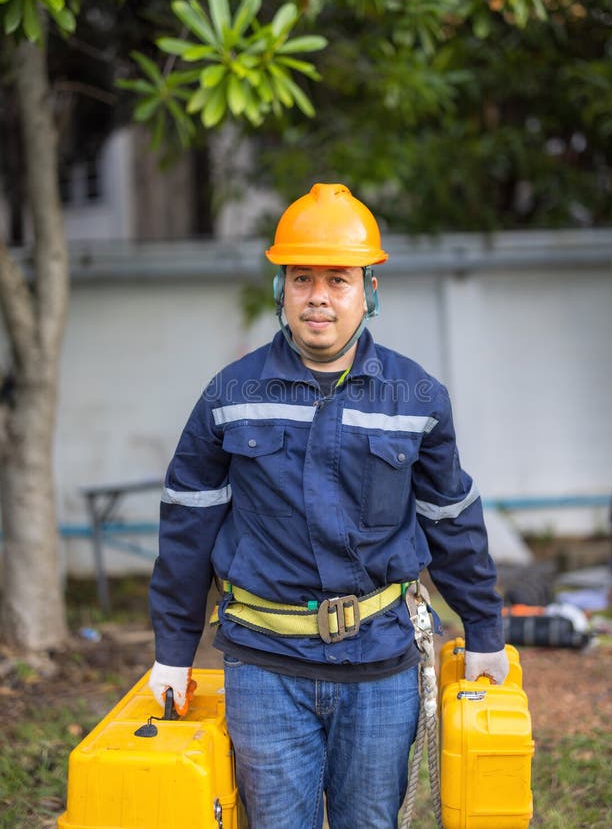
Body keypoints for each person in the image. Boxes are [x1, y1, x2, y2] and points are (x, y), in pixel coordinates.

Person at [148, 183, 509, 828]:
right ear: (281, 289)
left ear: (369, 291)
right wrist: (173, 651)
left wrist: (483, 631)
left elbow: (451, 518)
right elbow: (187, 525)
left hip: (381, 666)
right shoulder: (230, 394)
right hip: (264, 668)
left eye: (338, 279)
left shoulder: (416, 397)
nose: (318, 296)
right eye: (302, 277)